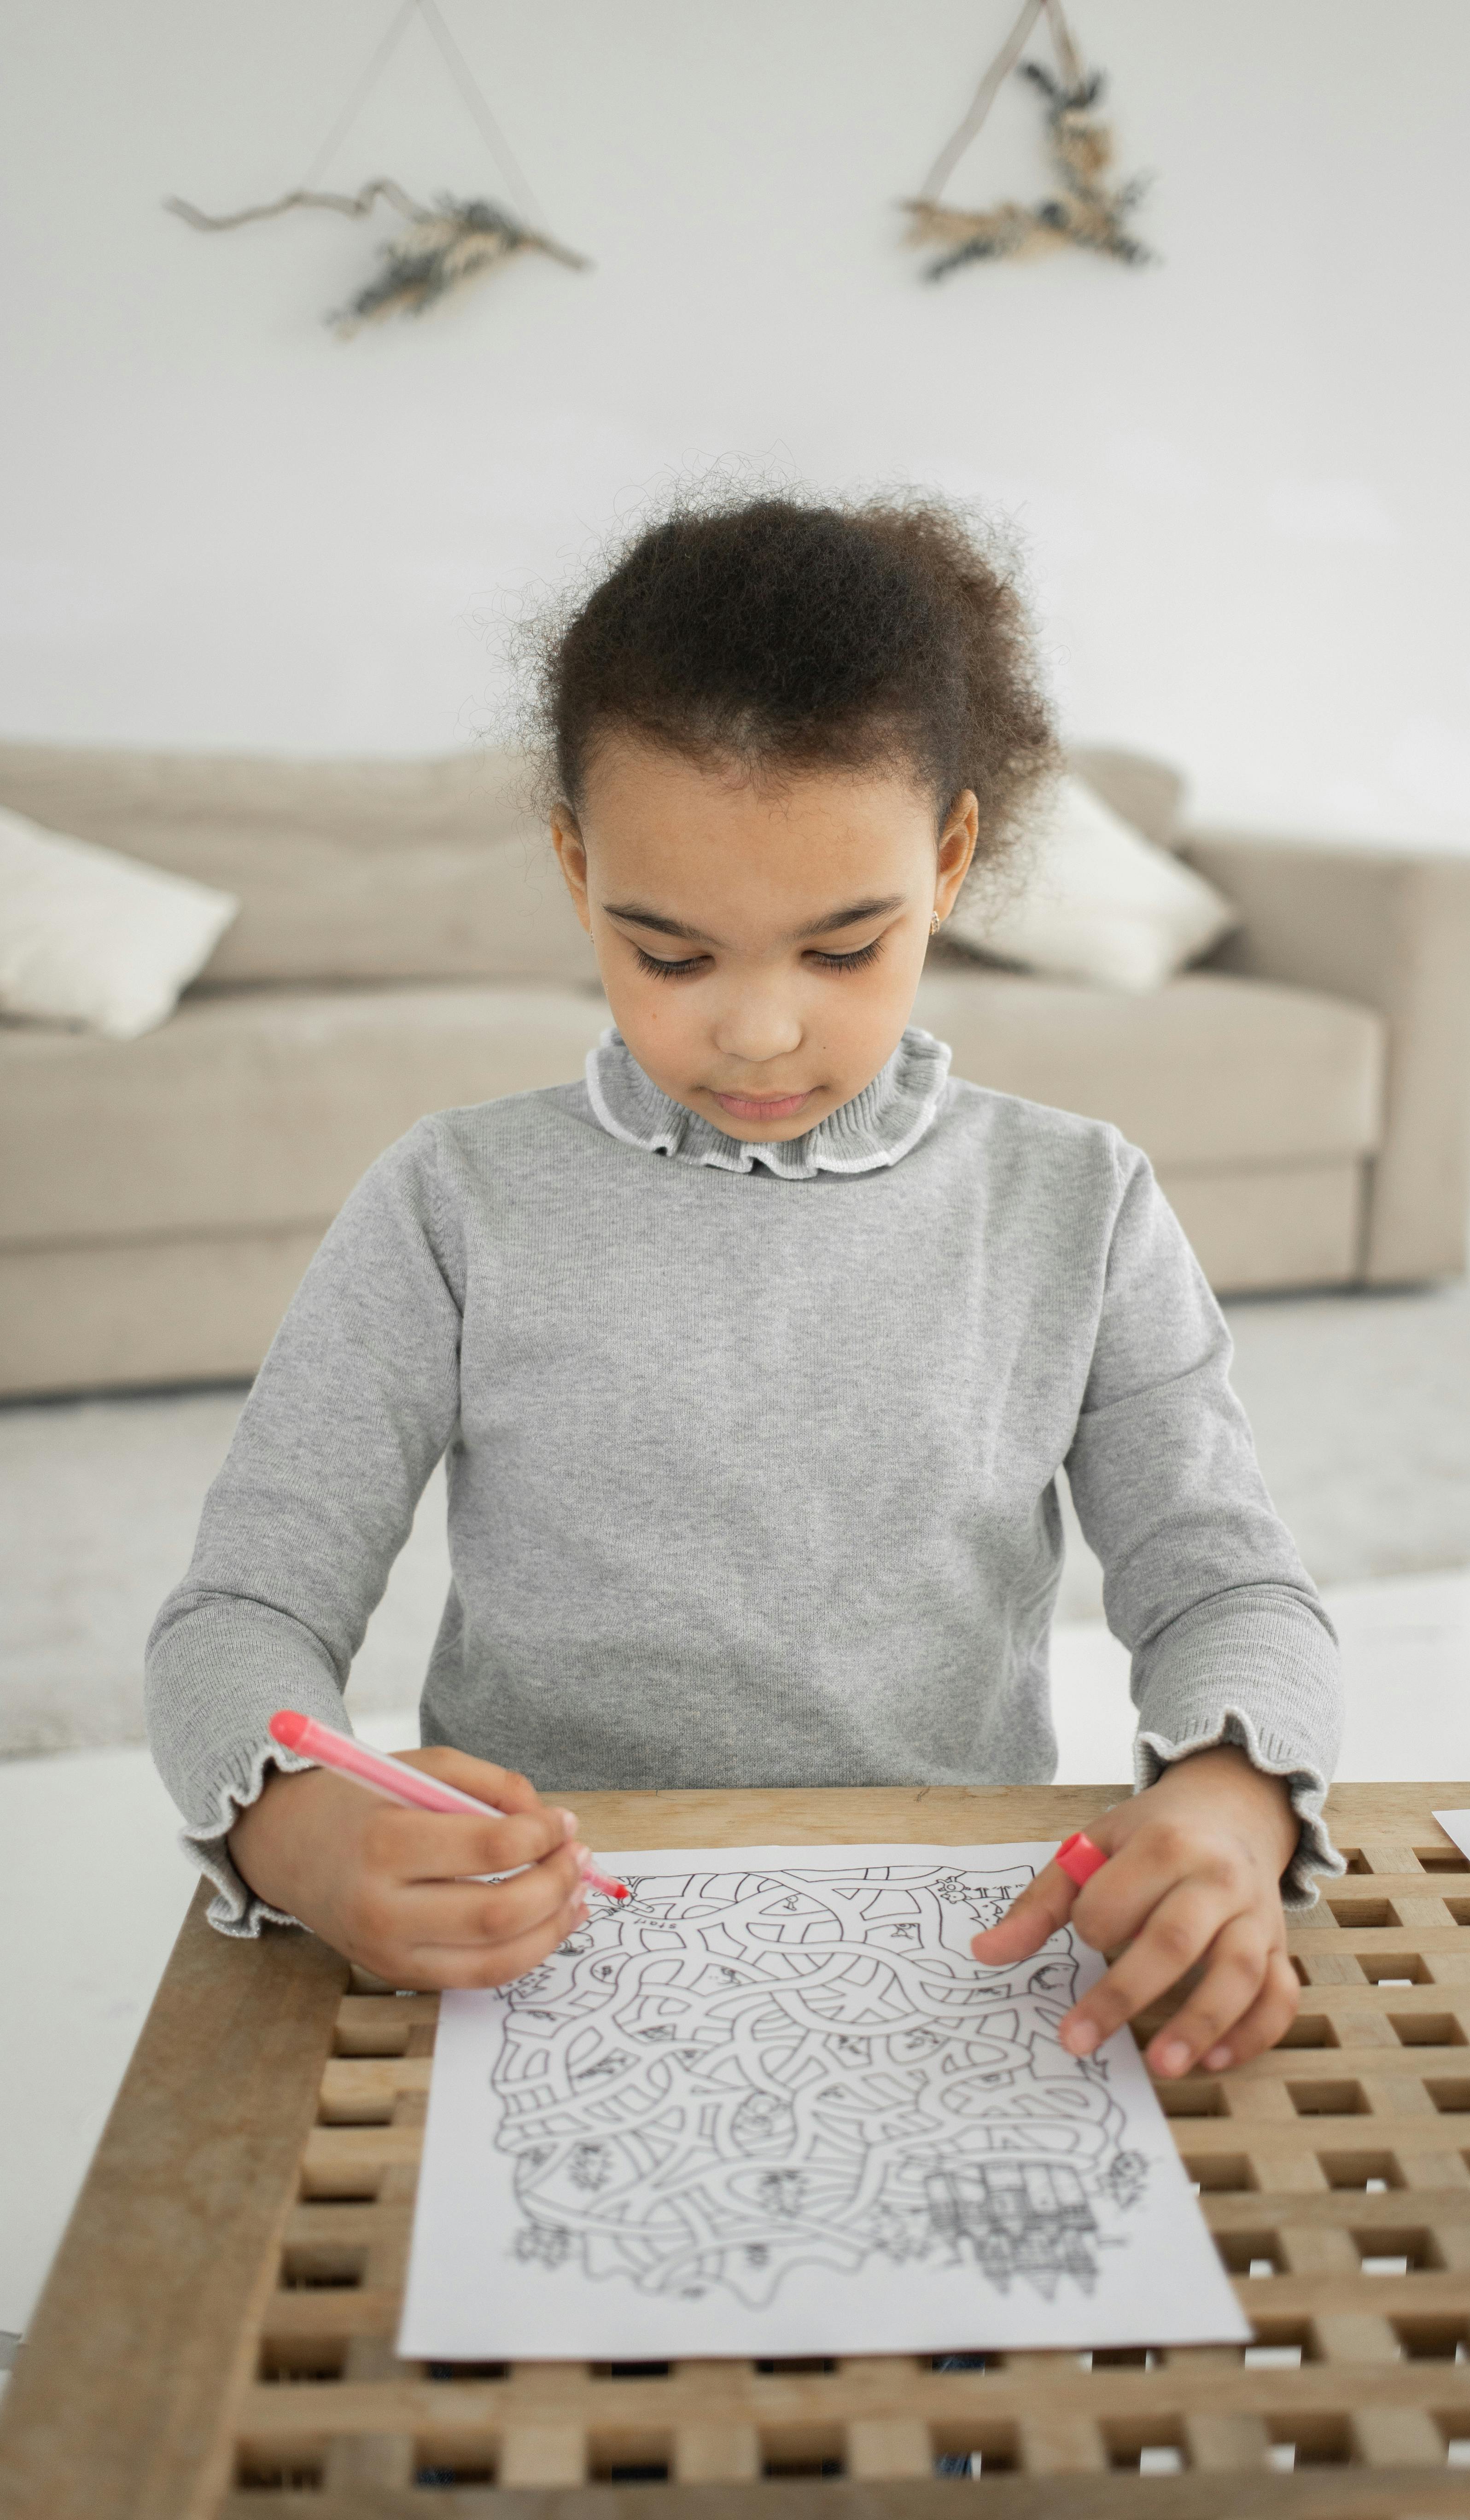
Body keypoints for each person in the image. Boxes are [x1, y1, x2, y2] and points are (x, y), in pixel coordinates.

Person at [146, 490, 1341, 2079]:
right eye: (671, 955)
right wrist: (301, 1830)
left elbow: (1231, 1593)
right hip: (535, 1964)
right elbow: (241, 1615)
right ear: (577, 870)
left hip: (956, 1959)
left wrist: (1233, 1802)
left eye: (842, 950)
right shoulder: (451, 1203)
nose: (761, 1032)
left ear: (950, 862)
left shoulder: (1081, 1203)